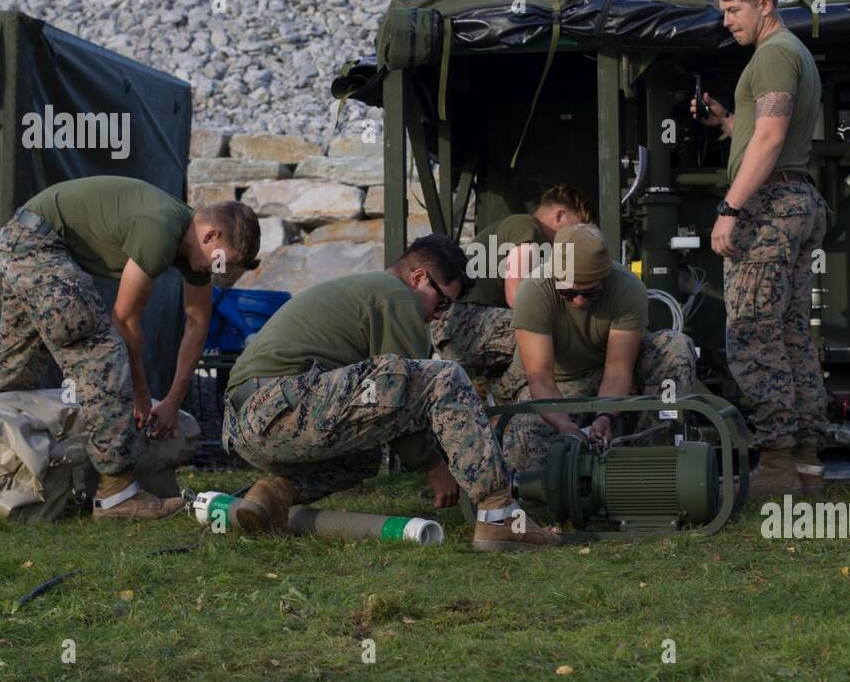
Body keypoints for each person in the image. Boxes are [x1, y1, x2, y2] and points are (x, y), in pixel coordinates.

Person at [222, 233, 560, 552]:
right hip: (281, 404)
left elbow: (385, 407)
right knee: (444, 375)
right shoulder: (397, 297)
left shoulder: (368, 290)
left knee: (365, 457)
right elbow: (406, 395)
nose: (438, 316)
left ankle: (271, 496)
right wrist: (434, 467)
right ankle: (499, 514)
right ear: (417, 278)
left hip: (246, 425)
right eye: (442, 303)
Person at [0, 175, 261, 519]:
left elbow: (197, 325)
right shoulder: (160, 229)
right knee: (101, 353)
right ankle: (117, 495)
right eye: (224, 261)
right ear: (210, 235)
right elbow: (124, 320)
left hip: (27, 240)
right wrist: (141, 396)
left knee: (17, 363)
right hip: (34, 242)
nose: (222, 271)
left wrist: (173, 401)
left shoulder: (196, 255)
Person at [693, 0, 831, 498]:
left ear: (765, 5)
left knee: (751, 330)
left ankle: (775, 466)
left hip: (770, 206)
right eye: (723, 12)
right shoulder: (793, 53)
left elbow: (771, 138)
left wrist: (730, 207)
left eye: (733, 10)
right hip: (796, 199)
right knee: (791, 333)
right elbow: (765, 130)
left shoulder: (773, 54)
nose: (726, 22)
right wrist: (728, 121)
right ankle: (806, 463)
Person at [499, 223, 697, 469]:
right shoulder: (534, 291)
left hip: (608, 375)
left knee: (676, 346)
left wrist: (605, 417)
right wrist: (565, 427)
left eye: (590, 292)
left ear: (604, 278)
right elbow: (540, 378)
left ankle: (650, 461)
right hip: (557, 384)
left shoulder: (627, 288)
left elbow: (618, 370)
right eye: (569, 293)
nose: (579, 301)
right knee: (527, 449)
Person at [429, 184, 593, 401]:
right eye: (576, 229)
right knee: (558, 332)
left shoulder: (532, 239)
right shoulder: (527, 227)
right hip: (462, 322)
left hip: (462, 325)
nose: (575, 239)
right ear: (560, 216)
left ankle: (491, 390)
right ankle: (501, 393)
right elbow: (517, 296)